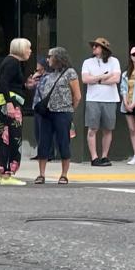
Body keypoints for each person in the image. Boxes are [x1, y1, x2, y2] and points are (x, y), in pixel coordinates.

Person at [29, 46, 81, 185]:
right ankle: (41, 174)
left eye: (50, 56)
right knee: (43, 142)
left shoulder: (70, 73)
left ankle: (64, 174)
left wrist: (70, 110)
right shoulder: (49, 74)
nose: (48, 59)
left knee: (63, 142)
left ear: (58, 58)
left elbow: (77, 95)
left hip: (63, 112)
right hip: (47, 113)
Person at [0, 38, 32, 185]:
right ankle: (8, 174)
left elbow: (8, 82)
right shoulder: (13, 63)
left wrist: (25, 84)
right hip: (11, 103)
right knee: (14, 137)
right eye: (28, 48)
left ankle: (2, 173)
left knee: (4, 136)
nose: (30, 51)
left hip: (5, 101)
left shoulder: (9, 62)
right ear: (21, 49)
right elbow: (3, 83)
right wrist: (9, 103)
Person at [80, 38, 122, 167]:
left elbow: (116, 78)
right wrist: (102, 77)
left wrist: (96, 80)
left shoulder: (114, 61)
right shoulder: (87, 62)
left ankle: (105, 156)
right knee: (92, 128)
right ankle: (94, 157)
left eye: (96, 46)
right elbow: (85, 79)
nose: (93, 48)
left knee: (108, 128)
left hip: (110, 99)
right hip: (93, 99)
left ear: (104, 49)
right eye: (93, 46)